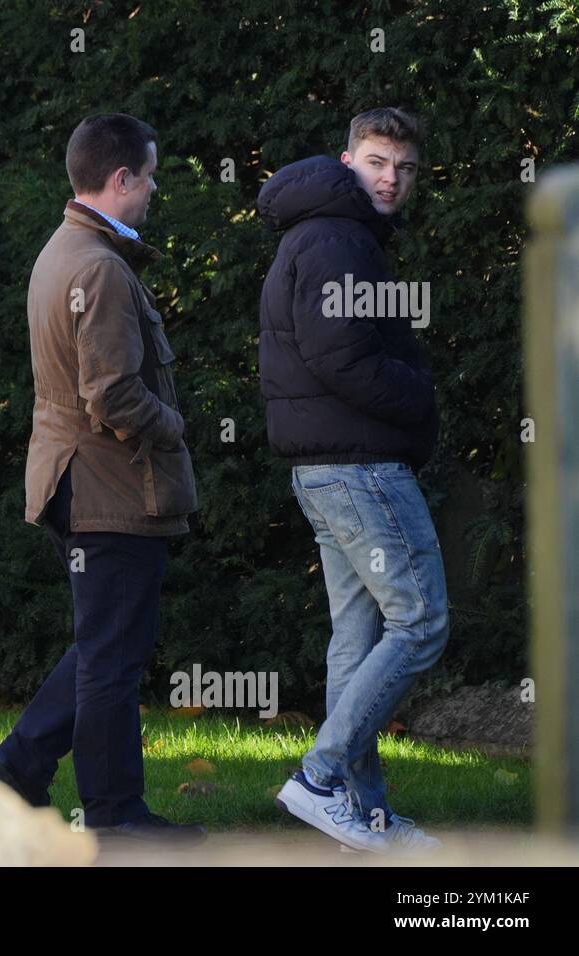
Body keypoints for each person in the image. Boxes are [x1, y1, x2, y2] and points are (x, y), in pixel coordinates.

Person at [0, 113, 203, 845]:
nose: (154, 189)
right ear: (121, 179)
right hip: (110, 486)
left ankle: (14, 772)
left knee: (104, 644)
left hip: (78, 479)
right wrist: (175, 425)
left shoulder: (64, 249)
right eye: (150, 175)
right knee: (111, 660)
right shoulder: (100, 266)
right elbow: (112, 396)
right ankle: (116, 818)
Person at [258, 107, 446, 854]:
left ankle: (359, 818)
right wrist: (421, 395)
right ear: (346, 161)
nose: (390, 178)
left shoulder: (329, 231)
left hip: (328, 468)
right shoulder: (337, 238)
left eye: (403, 167)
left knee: (358, 635)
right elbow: (342, 358)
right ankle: (321, 777)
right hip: (360, 469)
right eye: (376, 162)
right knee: (420, 622)